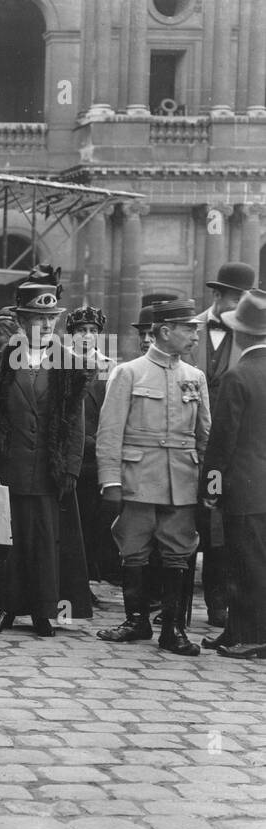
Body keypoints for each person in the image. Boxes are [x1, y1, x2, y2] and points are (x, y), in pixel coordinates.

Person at [0, 273, 89, 637]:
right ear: (22, 321)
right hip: (8, 468)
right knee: (6, 541)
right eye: (37, 318)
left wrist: (71, 471)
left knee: (44, 543)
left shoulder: (70, 364)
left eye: (51, 318)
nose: (46, 325)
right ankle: (4, 609)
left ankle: (43, 612)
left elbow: (75, 424)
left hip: (49, 470)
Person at [94, 298, 209, 656]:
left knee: (178, 552)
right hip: (138, 477)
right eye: (188, 328)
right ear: (164, 331)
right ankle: (136, 621)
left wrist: (208, 481)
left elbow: (205, 435)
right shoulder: (129, 373)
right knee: (134, 550)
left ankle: (173, 629)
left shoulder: (195, 377)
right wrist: (110, 480)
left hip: (182, 481)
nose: (194, 336)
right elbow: (109, 431)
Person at [203, 289, 266, 658]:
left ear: (241, 334)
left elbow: (221, 441)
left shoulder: (237, 376)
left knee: (245, 563)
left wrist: (211, 486)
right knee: (254, 560)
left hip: (242, 487)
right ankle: (235, 631)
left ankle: (255, 635)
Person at [193, 262, 256, 628]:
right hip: (190, 447)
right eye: (234, 298)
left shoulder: (250, 338)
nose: (238, 307)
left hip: (231, 451)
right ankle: (168, 602)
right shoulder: (189, 330)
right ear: (217, 296)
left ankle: (219, 602)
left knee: (220, 527)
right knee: (185, 523)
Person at [70, 305, 114, 590]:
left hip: (97, 455)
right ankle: (71, 582)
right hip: (72, 453)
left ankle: (87, 581)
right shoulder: (60, 363)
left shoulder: (108, 368)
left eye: (93, 331)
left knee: (94, 522)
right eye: (81, 331)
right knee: (72, 522)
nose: (87, 337)